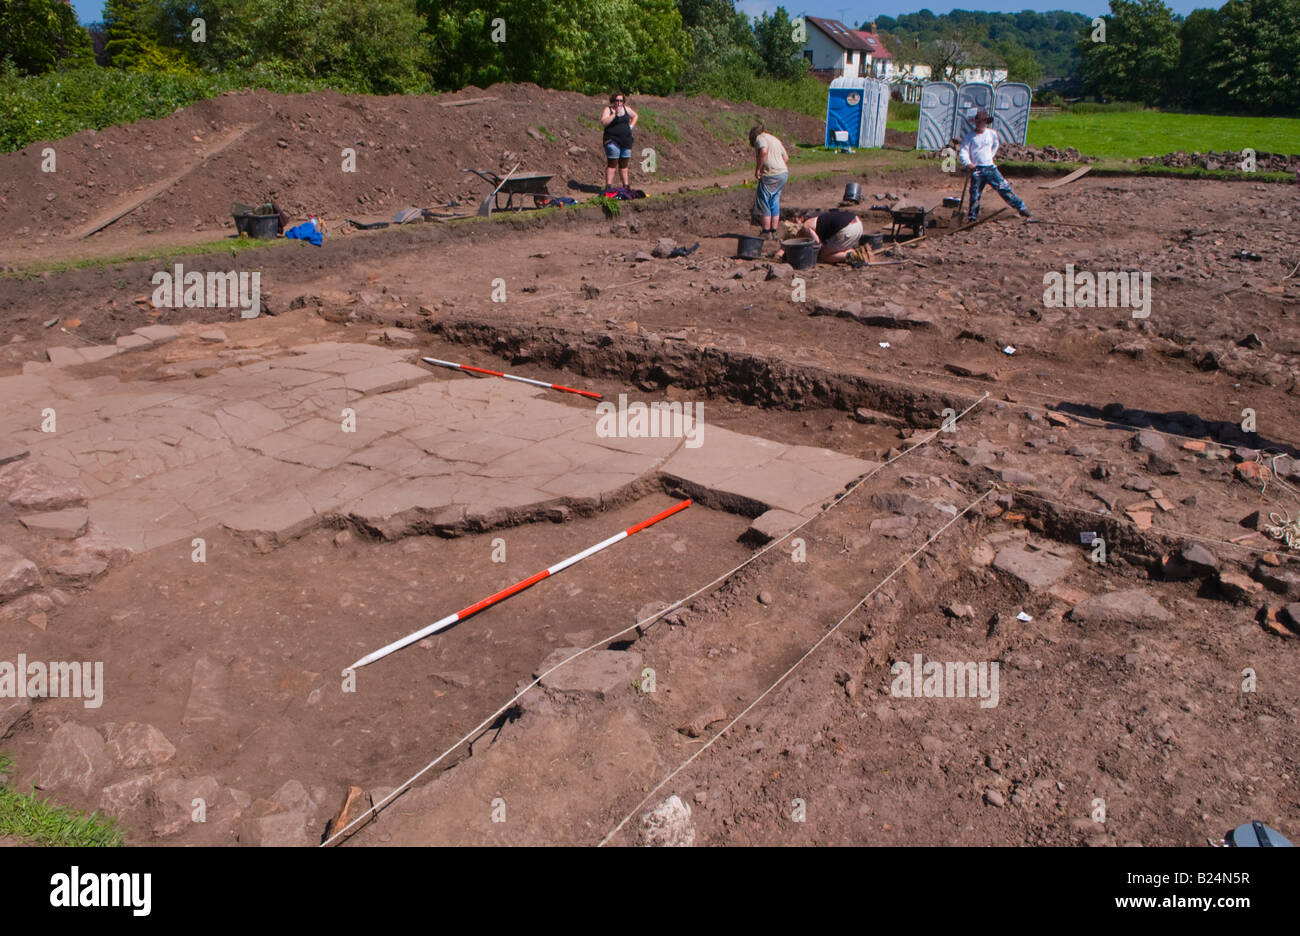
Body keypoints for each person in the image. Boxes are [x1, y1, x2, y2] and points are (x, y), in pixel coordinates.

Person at [958, 110, 1031, 222]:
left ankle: (1021, 208)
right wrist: (968, 163)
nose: (980, 124)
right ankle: (972, 217)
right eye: (977, 122)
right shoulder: (969, 136)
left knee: (1004, 188)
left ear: (986, 122)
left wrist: (990, 156)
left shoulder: (991, 134)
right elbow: (963, 151)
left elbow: (995, 145)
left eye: (982, 122)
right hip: (976, 169)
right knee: (975, 195)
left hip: (990, 168)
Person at [780, 209, 865, 264]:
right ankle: (857, 252)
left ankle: (851, 255)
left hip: (847, 229)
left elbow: (817, 243)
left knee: (824, 256)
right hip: (858, 224)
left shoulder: (806, 225)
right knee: (837, 248)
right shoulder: (819, 217)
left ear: (801, 219)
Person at [750, 125, 789, 240]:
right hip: (783, 173)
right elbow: (786, 157)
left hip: (770, 175)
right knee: (774, 200)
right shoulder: (775, 139)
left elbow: (763, 151)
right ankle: (774, 231)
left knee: (764, 201)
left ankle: (766, 231)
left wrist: (758, 169)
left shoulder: (760, 138)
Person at [600, 92, 638, 190]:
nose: (619, 102)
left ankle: (626, 186)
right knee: (612, 163)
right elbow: (604, 122)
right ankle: (608, 187)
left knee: (624, 165)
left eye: (621, 100)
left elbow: (635, 116)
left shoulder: (626, 109)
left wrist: (631, 126)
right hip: (612, 141)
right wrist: (615, 114)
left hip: (626, 141)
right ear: (613, 100)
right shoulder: (608, 110)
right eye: (617, 100)